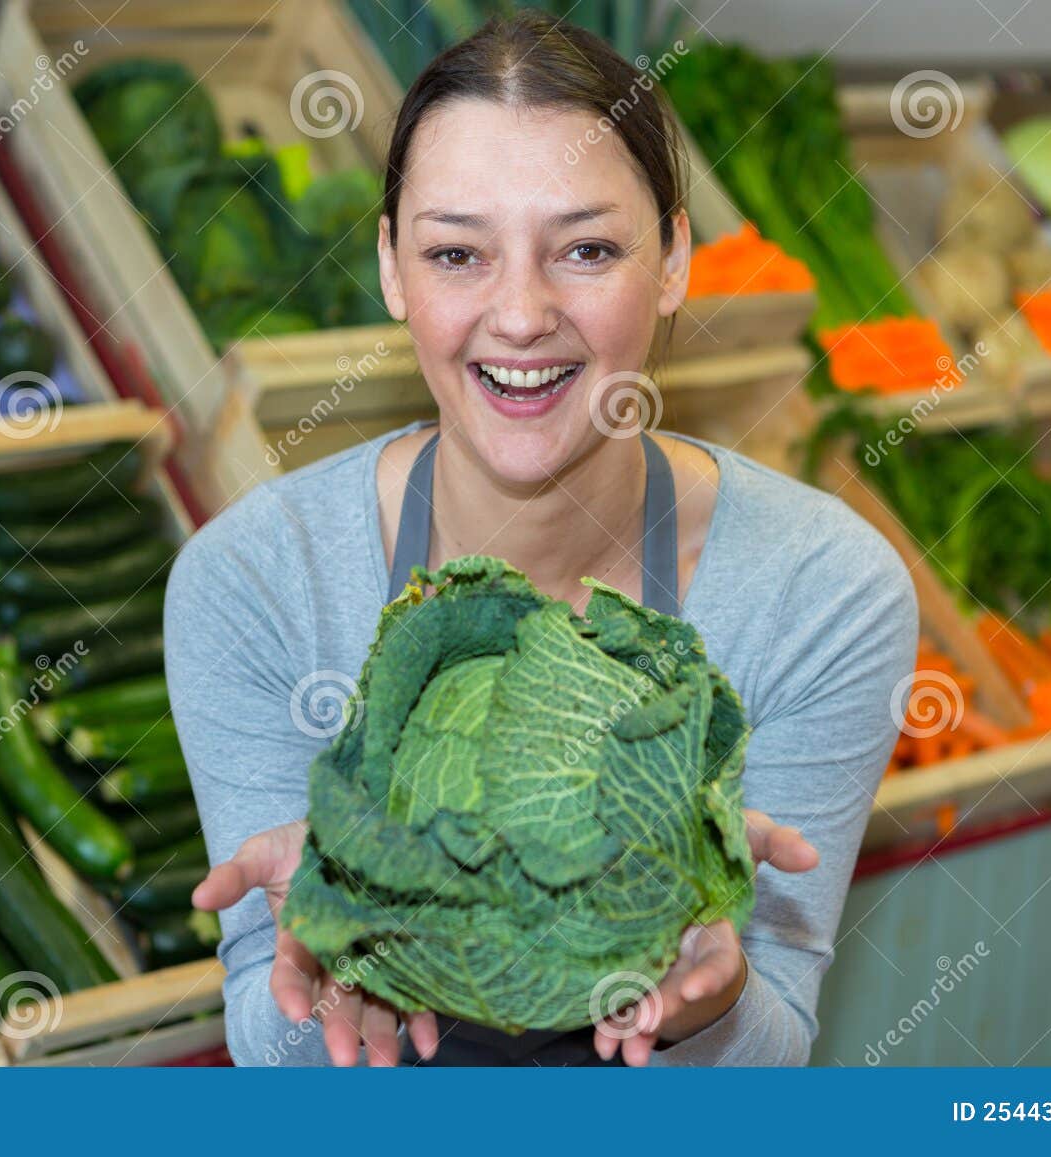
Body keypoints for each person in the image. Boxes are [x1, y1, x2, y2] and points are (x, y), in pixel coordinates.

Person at [165, 12, 916, 1067]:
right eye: (456, 252)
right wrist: (329, 966)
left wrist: (705, 995)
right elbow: (273, 1043)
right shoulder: (254, 577)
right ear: (392, 269)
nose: (519, 315)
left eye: (587, 249)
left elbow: (769, 1049)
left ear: (673, 261)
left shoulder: (819, 590)